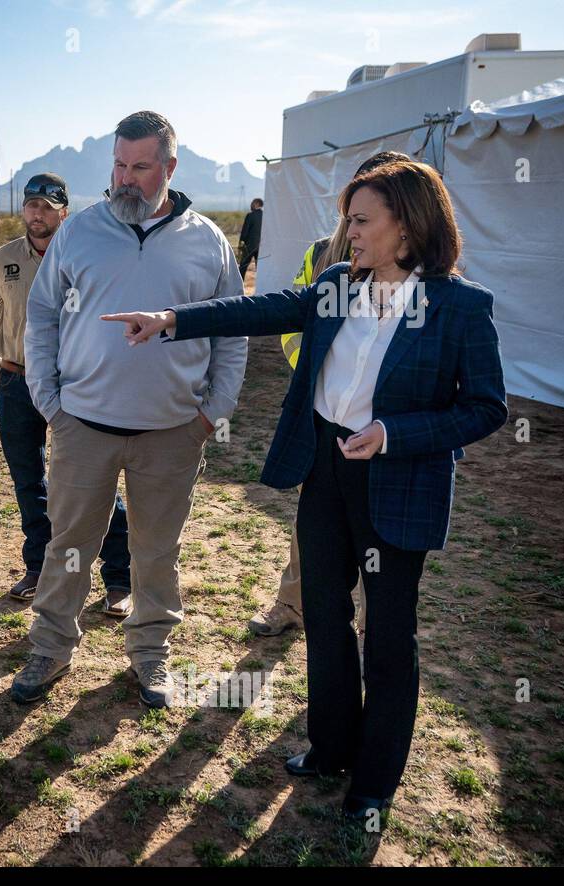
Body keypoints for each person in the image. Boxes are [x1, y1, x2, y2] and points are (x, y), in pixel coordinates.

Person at [103, 160, 507, 822]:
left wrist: (395, 432)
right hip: (326, 470)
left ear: (407, 226)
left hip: (397, 480)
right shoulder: (338, 288)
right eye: (348, 218)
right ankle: (330, 747)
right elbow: (260, 308)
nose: (348, 233)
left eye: (360, 220)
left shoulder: (460, 308)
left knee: (388, 637)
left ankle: (373, 783)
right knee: (323, 614)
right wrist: (172, 318)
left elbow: (486, 408)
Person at [14, 110, 248, 707]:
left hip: (172, 433)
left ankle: (150, 657)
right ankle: (51, 648)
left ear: (170, 168)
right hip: (81, 427)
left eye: (140, 167)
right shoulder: (80, 231)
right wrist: (50, 400)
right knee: (67, 545)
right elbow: (41, 314)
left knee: (155, 552)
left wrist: (210, 414)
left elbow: (233, 333)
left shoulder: (208, 242)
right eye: (118, 164)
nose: (125, 178)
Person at [249, 150, 410, 638]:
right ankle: (293, 604)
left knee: (379, 533)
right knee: (313, 526)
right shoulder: (323, 255)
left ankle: (370, 621)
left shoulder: (419, 267)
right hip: (325, 419)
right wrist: (318, 379)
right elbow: (292, 326)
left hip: (385, 428)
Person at [0, 173, 132, 612]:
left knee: (91, 483)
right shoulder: (1, 259)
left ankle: (120, 579)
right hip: (16, 384)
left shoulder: (84, 256)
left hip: (72, 386)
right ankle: (39, 567)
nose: (37, 214)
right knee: (29, 482)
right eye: (31, 205)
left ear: (64, 212)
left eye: (46, 206)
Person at [237, 198, 263, 278]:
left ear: (256, 204)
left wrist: (241, 242)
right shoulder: (265, 216)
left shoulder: (250, 215)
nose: (250, 205)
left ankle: (239, 287)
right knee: (260, 269)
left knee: (243, 267)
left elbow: (245, 231)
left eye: (252, 203)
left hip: (249, 246)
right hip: (261, 246)